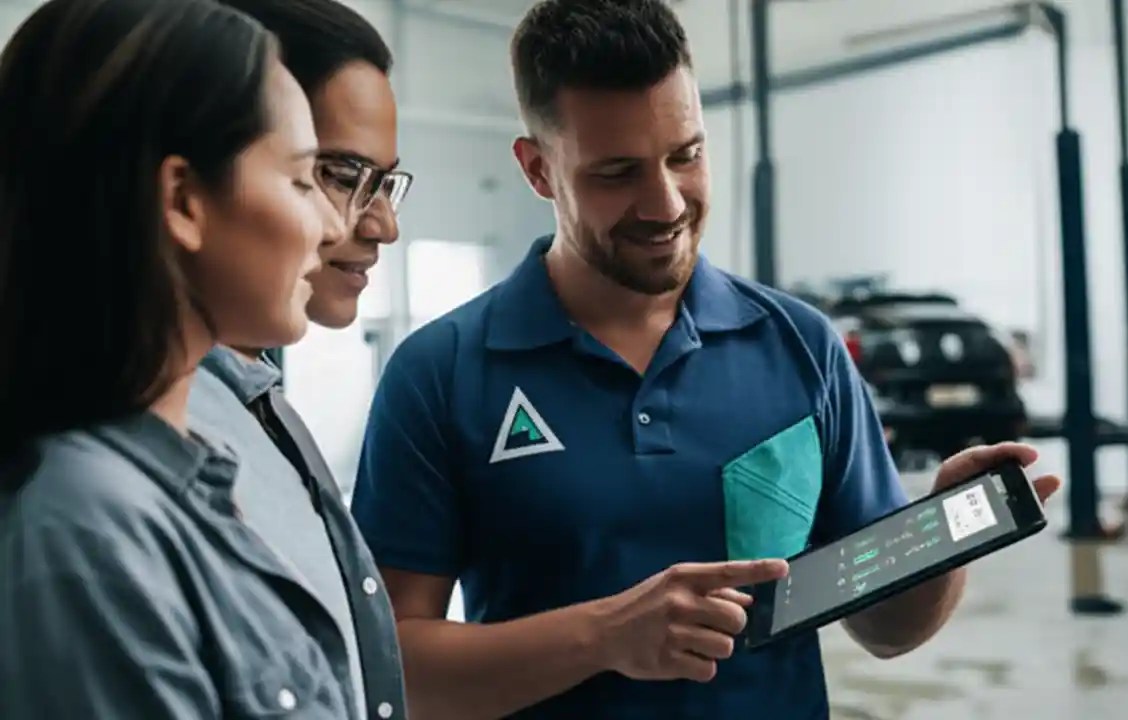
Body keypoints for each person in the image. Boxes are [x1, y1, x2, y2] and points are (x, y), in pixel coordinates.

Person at [351, 1, 1062, 719]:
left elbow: (886, 631)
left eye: (685, 154)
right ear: (538, 169)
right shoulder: (440, 374)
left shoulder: (802, 348)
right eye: (618, 172)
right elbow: (391, 670)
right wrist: (604, 638)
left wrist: (942, 542)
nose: (665, 204)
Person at [0, 0, 350, 716]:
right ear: (183, 199)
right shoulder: (90, 528)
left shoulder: (179, 479)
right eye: (301, 179)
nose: (333, 223)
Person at [184, 0, 412, 717]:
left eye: (384, 183)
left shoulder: (258, 397)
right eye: (338, 175)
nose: (377, 224)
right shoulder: (143, 447)